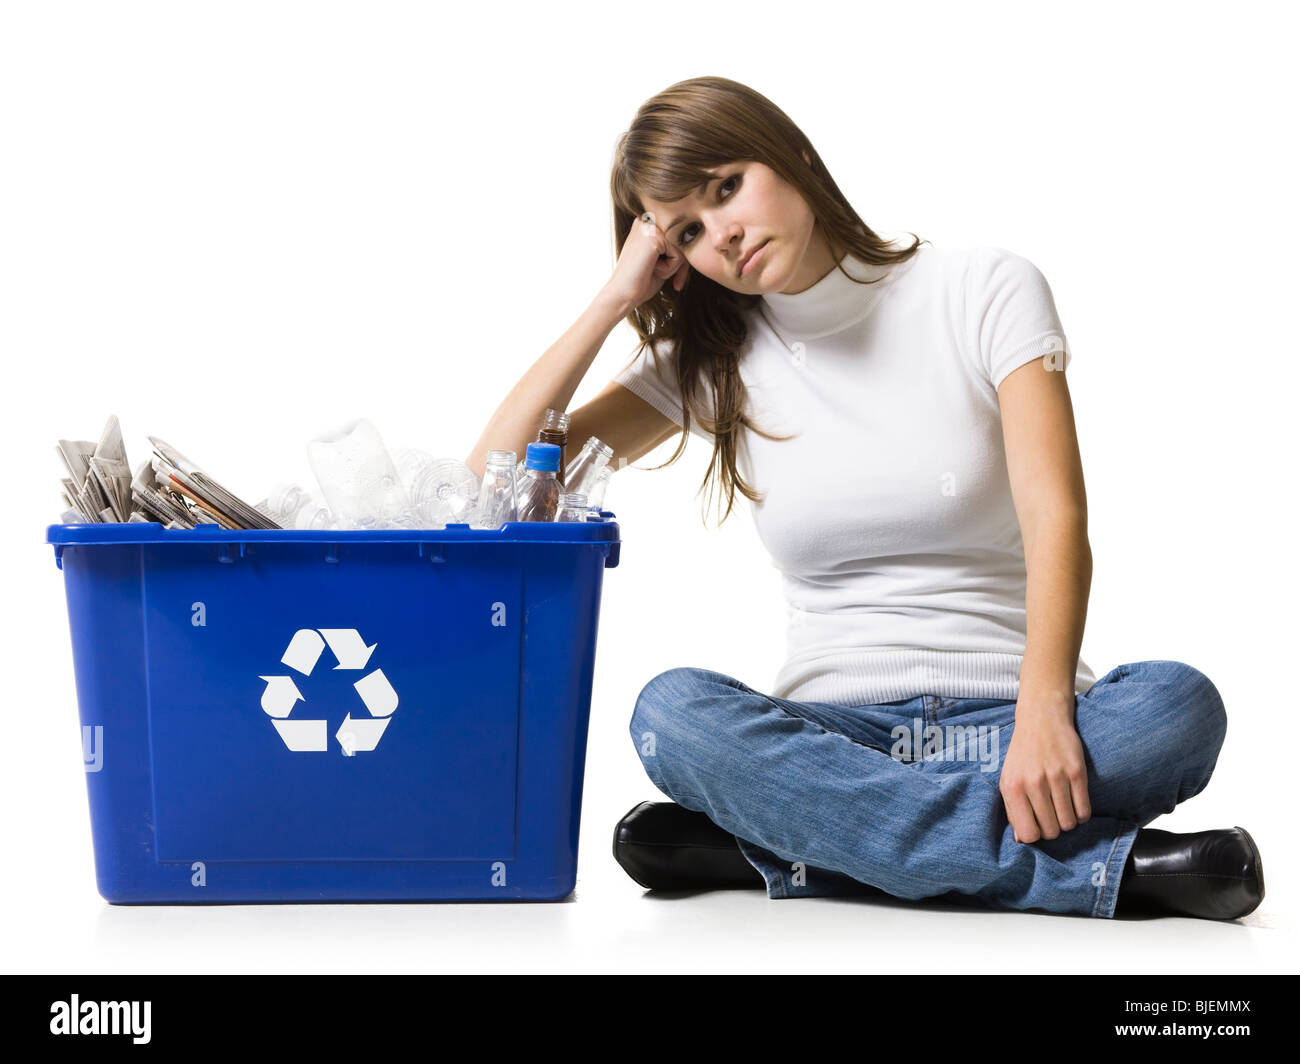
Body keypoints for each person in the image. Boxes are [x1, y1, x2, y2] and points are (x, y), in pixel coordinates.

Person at [465, 76, 1263, 921]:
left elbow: (1054, 512)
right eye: (689, 230)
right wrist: (614, 298)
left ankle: (802, 845)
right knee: (672, 713)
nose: (723, 236)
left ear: (793, 154)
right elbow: (492, 488)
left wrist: (1043, 713)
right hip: (832, 736)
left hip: (1016, 716)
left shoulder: (983, 289)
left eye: (728, 188)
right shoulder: (712, 360)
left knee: (1178, 707)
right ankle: (1099, 873)